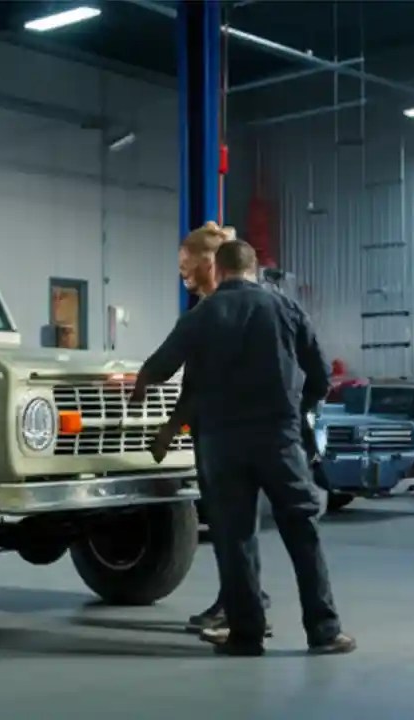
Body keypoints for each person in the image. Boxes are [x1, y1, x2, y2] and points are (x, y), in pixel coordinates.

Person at [130, 239, 355, 656]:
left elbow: (158, 368)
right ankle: (324, 631)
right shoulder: (285, 308)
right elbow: (321, 374)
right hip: (279, 439)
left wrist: (140, 399)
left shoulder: (202, 315)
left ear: (219, 268)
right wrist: (298, 408)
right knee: (302, 531)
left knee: (235, 539)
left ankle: (246, 635)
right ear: (254, 268)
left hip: (222, 444)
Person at [150, 221, 272, 638]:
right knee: (232, 526)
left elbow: (200, 382)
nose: (182, 273)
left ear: (210, 262)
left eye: (186, 265)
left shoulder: (213, 314)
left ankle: (242, 605)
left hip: (225, 435)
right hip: (230, 432)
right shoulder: (228, 309)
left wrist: (168, 425)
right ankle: (238, 599)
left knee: (231, 524)